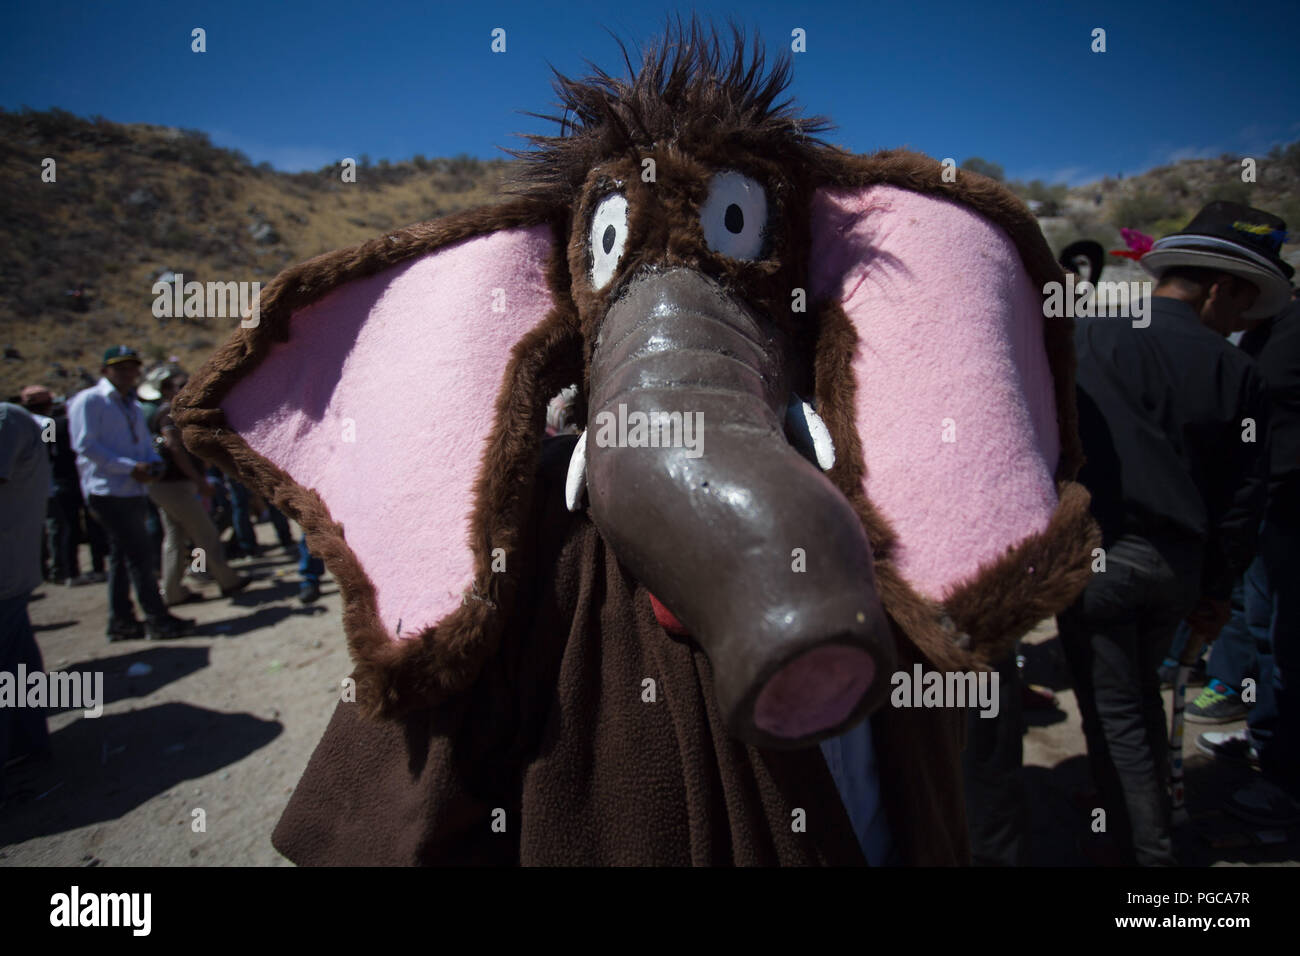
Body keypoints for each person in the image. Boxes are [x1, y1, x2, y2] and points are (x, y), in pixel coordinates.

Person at [1060, 202, 1289, 865]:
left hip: (1100, 561)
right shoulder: (1236, 371)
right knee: (1135, 702)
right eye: (1242, 306)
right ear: (1221, 286)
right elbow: (1245, 495)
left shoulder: (1091, 337)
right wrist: (1217, 591)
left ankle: (1147, 855)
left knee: (1117, 711)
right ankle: (1138, 811)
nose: (1242, 323)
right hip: (1178, 569)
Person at [1197, 295, 1300, 826]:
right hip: (1266, 510)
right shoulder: (1267, 332)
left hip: (1288, 511)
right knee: (1263, 629)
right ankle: (1265, 736)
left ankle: (1286, 781)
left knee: (1288, 642)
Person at [66, 346, 194, 641]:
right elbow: (85, 445)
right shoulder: (90, 401)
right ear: (104, 371)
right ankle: (157, 619)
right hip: (109, 489)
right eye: (120, 368)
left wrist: (154, 462)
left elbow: (143, 444)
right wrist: (128, 467)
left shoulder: (132, 405)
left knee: (123, 557)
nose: (128, 373)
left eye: (132, 367)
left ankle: (122, 620)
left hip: (133, 487)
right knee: (140, 556)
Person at [144, 369, 251, 606]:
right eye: (178, 385)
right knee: (206, 534)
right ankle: (227, 580)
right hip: (176, 486)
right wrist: (198, 480)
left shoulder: (159, 414)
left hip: (162, 487)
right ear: (165, 390)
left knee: (175, 538)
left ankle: (172, 591)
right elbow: (174, 447)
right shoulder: (168, 416)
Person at [0, 402, 53, 796]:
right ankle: (27, 742)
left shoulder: (6, 420)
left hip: (7, 566)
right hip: (12, 568)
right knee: (16, 657)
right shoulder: (14, 419)